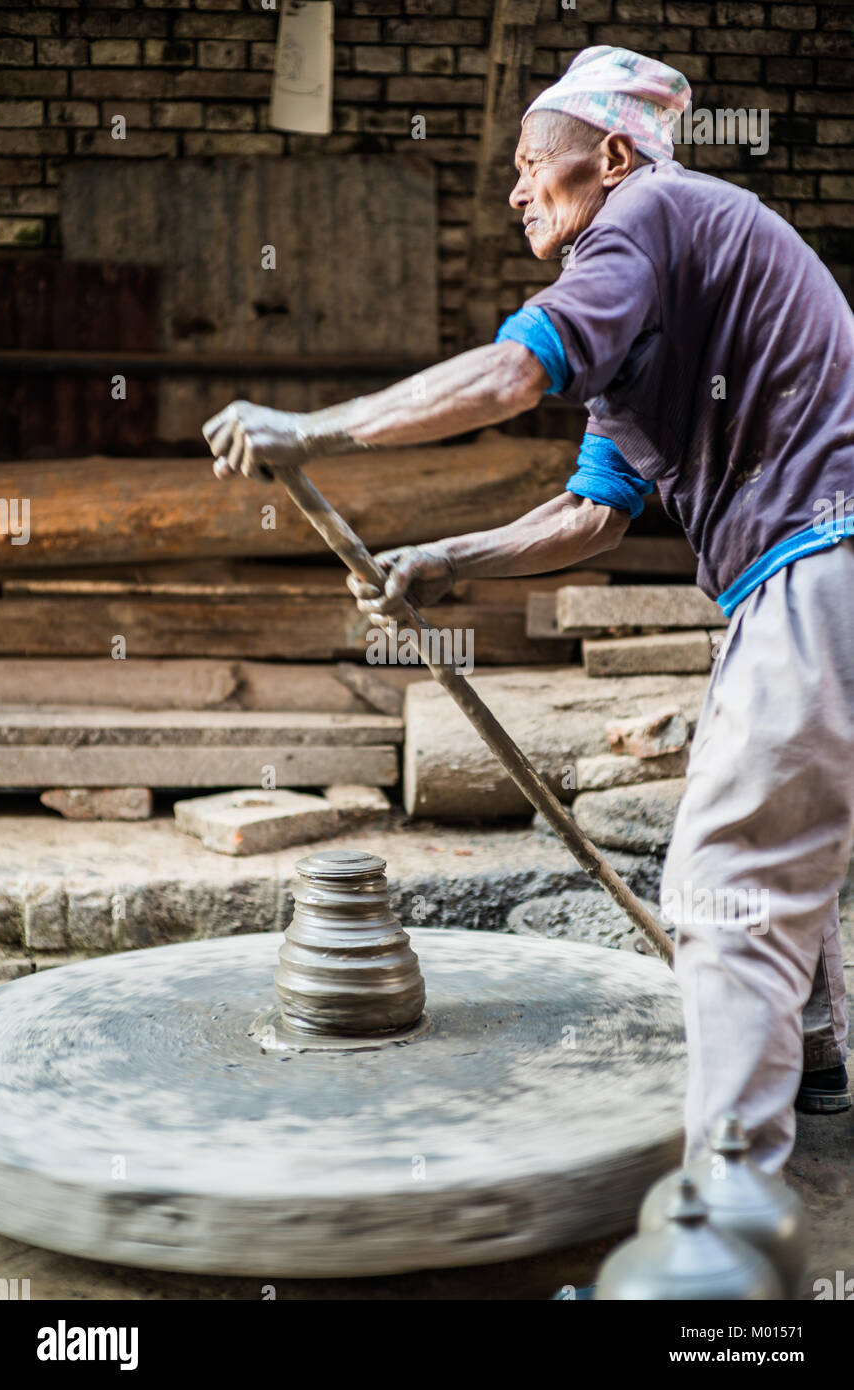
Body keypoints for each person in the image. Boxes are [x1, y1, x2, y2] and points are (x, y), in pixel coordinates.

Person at [203, 46, 854, 1174]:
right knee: (772, 833)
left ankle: (725, 1216)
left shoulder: (647, 215)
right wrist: (445, 559)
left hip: (822, 558)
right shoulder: (658, 298)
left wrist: (311, 428)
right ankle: (815, 1058)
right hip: (804, 577)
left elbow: (512, 375)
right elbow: (594, 513)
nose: (514, 192)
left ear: (612, 157)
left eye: (528, 164)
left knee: (722, 879)